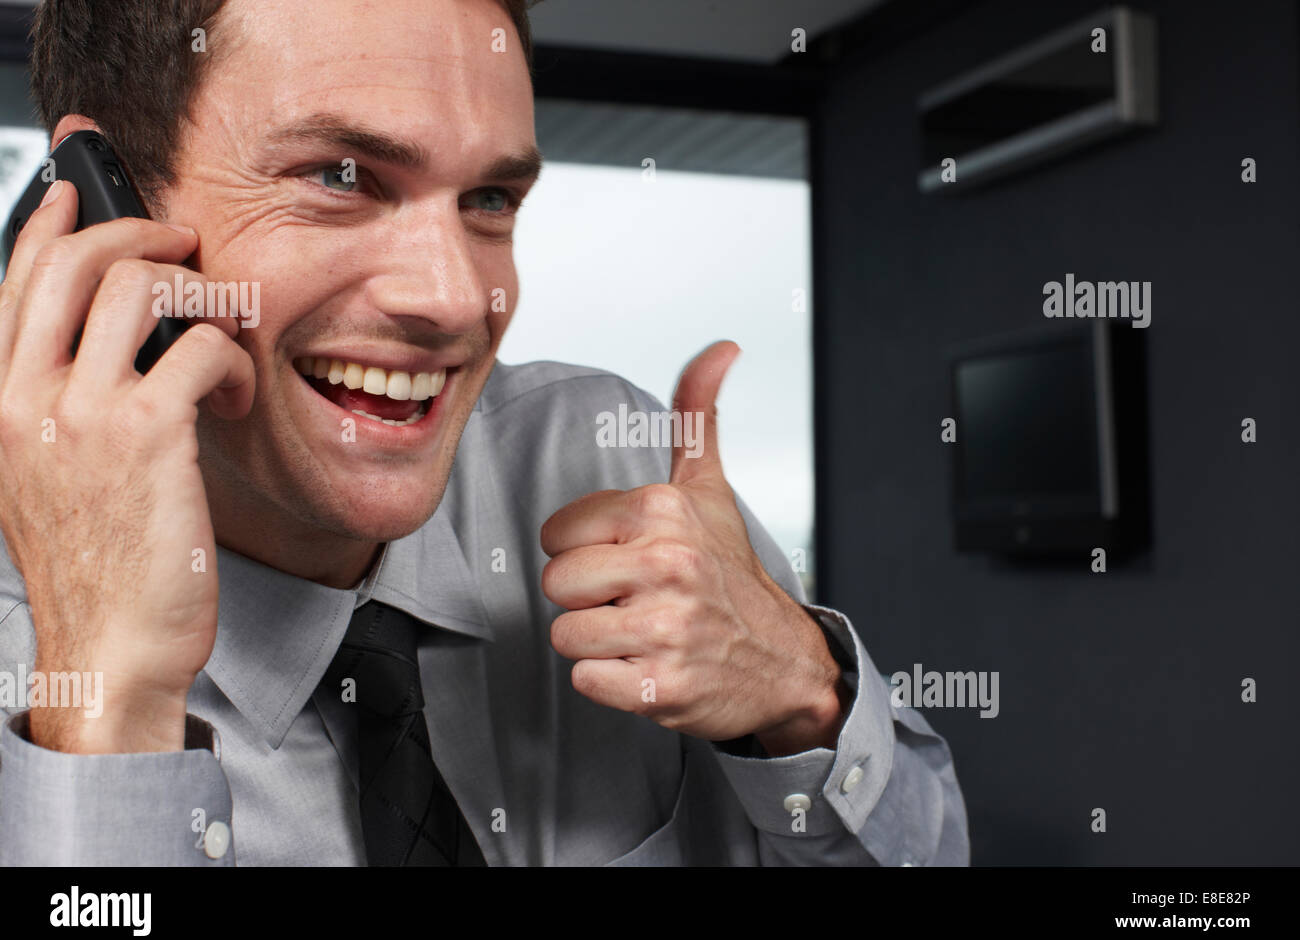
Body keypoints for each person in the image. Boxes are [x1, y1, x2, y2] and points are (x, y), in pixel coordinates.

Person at [0, 0, 968, 865]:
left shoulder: (609, 461)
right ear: (96, 190)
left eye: (489, 201)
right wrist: (107, 704)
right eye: (341, 176)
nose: (455, 299)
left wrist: (802, 694)